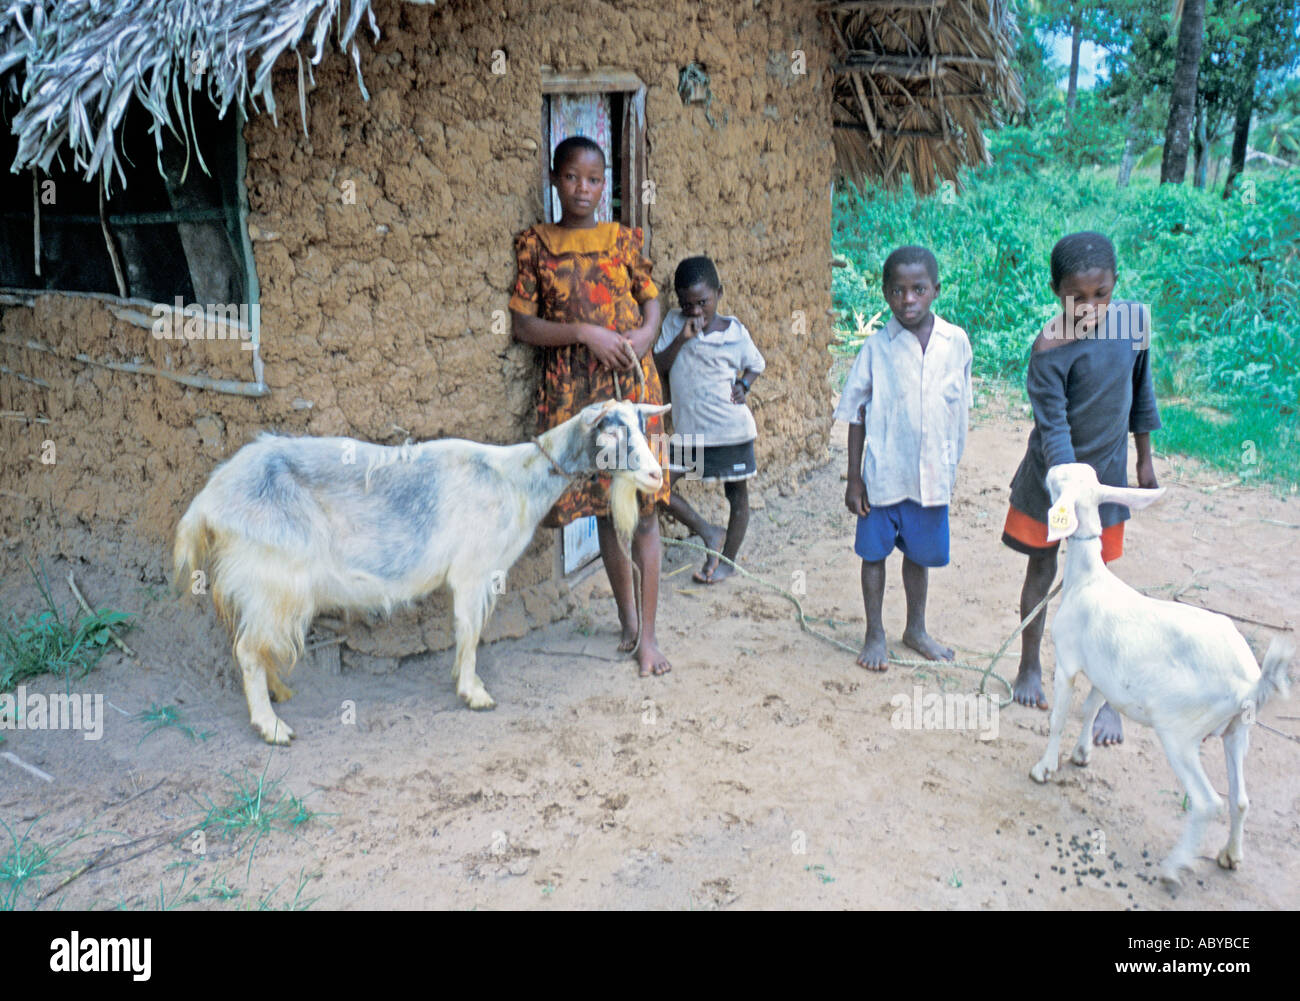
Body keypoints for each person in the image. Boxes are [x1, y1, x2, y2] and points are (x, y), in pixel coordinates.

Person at [509, 135, 671, 677]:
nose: (584, 188)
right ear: (555, 179)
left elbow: (652, 297)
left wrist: (646, 335)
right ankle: (626, 619)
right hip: (577, 396)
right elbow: (524, 324)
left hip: (631, 386)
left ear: (606, 185)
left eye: (595, 179)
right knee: (607, 507)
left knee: (644, 510)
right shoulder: (536, 244)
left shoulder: (623, 240)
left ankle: (649, 639)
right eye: (573, 177)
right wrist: (584, 332)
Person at [1003, 230, 1161, 745]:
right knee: (1043, 567)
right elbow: (1055, 431)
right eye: (1077, 298)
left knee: (1098, 588)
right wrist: (1070, 501)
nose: (1090, 308)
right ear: (1055, 290)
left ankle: (1108, 698)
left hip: (1107, 482)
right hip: (1052, 483)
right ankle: (1029, 666)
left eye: (1102, 295)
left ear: (1116, 286)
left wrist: (1144, 460)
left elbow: (1141, 393)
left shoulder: (1133, 325)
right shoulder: (1048, 351)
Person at [835, 246, 972, 671]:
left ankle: (915, 628)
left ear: (935, 290)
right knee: (873, 554)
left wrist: (952, 466)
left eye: (918, 289)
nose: (907, 300)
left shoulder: (956, 343)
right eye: (897, 290)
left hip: (931, 475)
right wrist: (854, 478)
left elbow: (960, 408)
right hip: (883, 475)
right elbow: (857, 413)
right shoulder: (877, 348)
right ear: (884, 292)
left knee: (919, 556)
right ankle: (875, 632)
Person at [653, 256, 765, 583]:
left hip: (730, 431)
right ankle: (708, 532)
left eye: (703, 302)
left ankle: (727, 561)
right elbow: (658, 367)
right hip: (689, 435)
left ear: (719, 293)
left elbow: (756, 363)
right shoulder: (675, 324)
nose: (697, 312)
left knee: (737, 496)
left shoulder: (735, 332)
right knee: (657, 489)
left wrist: (743, 385)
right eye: (688, 305)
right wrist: (682, 338)